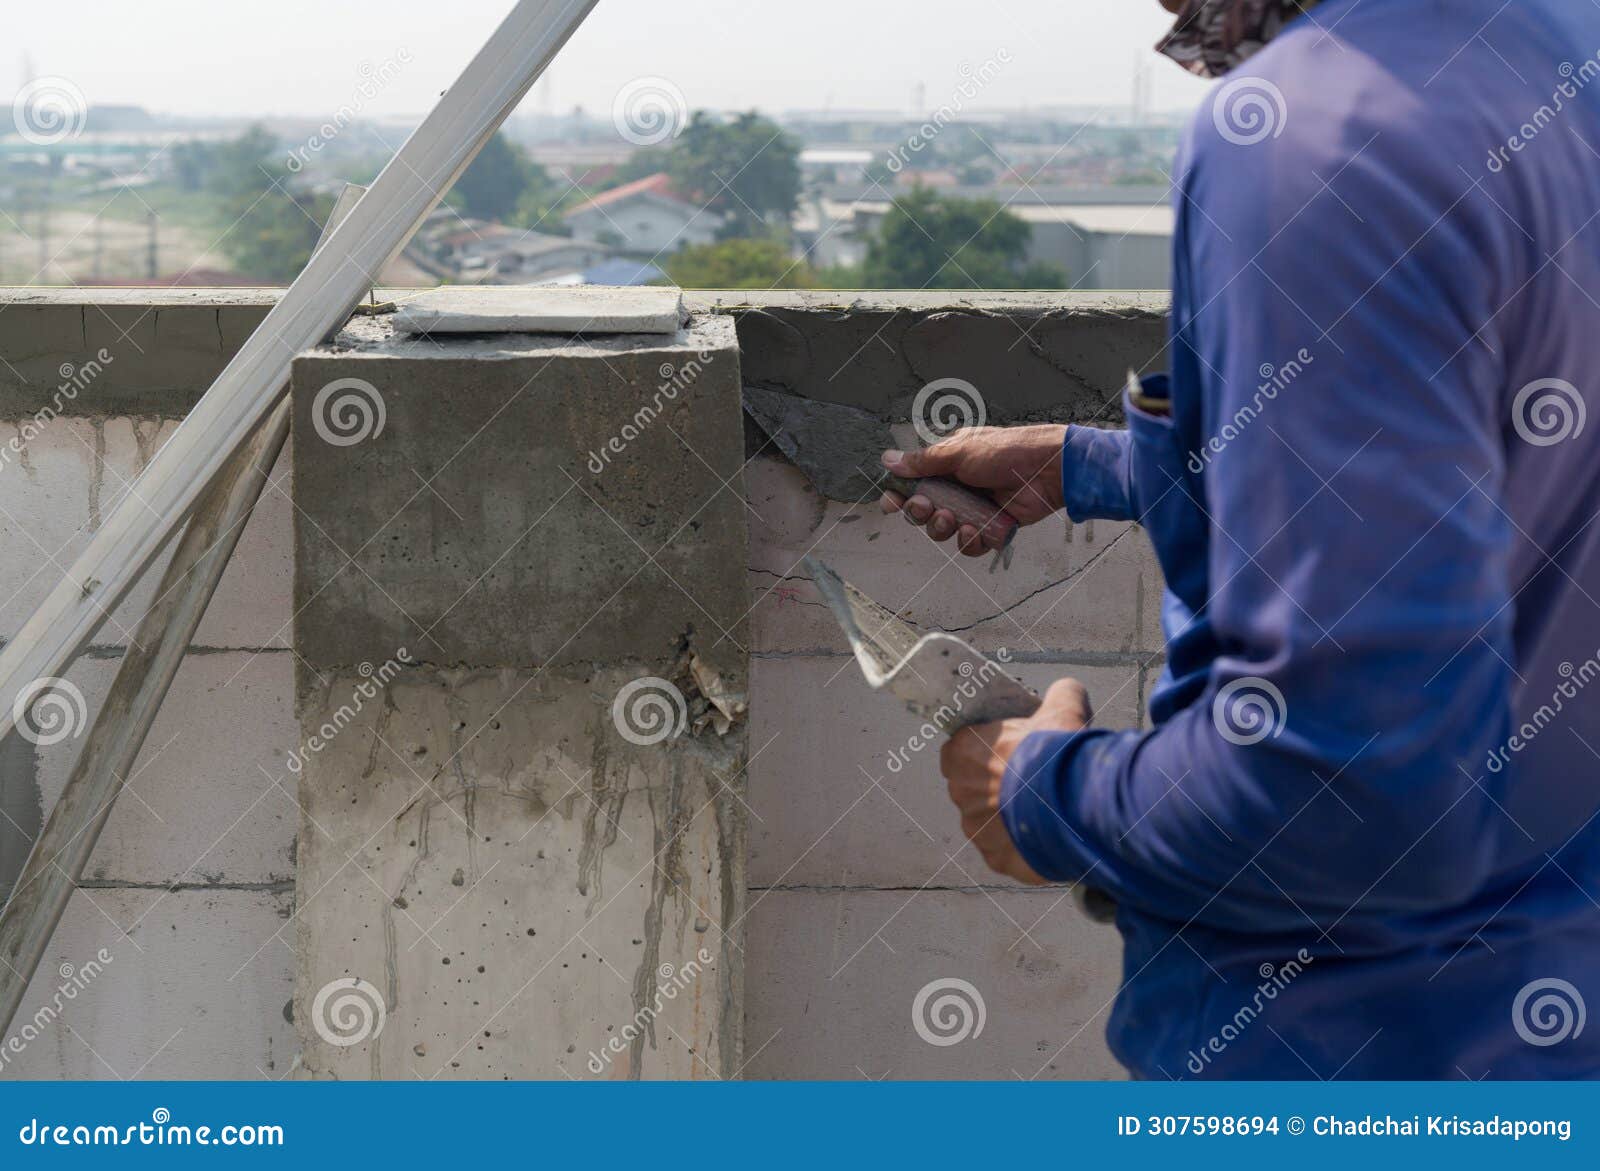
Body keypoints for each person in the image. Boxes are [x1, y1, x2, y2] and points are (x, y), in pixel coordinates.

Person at [885, 0, 1600, 1078]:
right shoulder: (1548, 52)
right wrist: (1100, 466)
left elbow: (1347, 790)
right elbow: (1509, 474)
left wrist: (1039, 793)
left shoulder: (1317, 135)